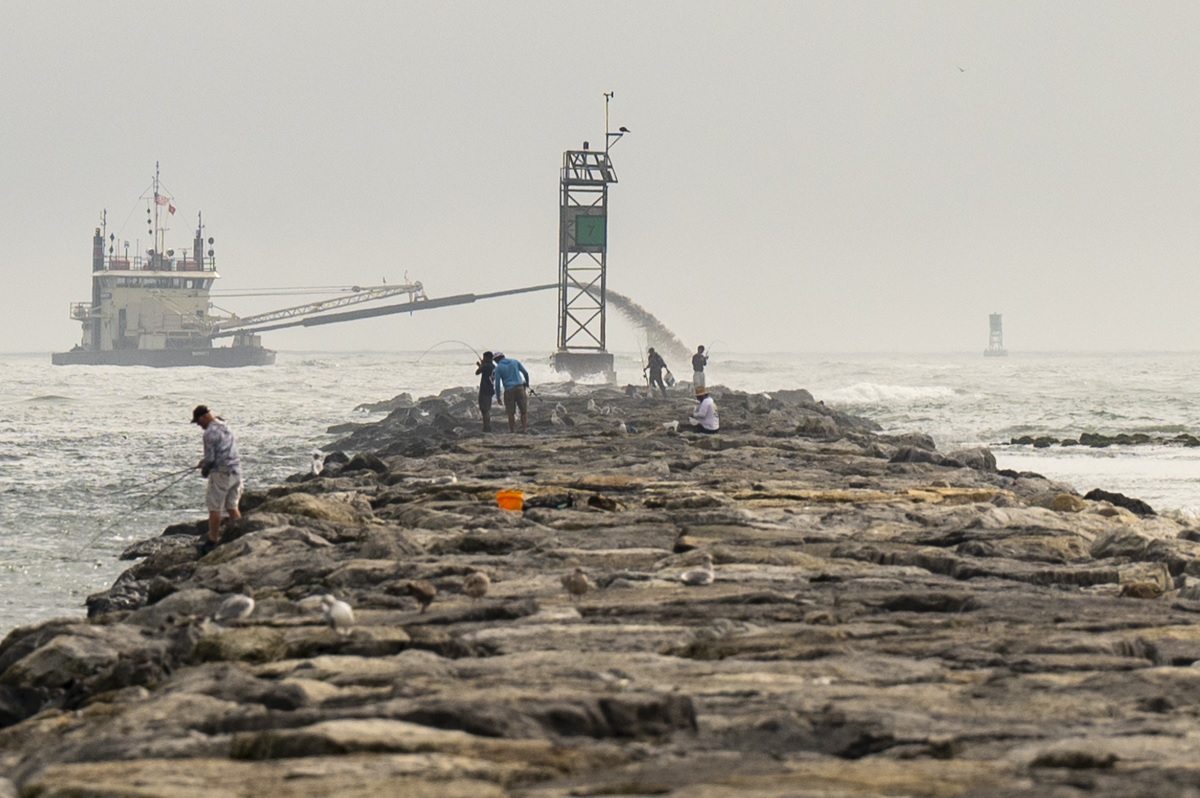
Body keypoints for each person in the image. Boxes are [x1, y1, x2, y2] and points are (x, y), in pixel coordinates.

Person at [192, 404, 242, 554]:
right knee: (232, 506)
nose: (199, 426)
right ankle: (240, 534)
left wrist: (204, 469)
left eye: (198, 422)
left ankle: (212, 541)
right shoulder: (225, 425)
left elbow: (210, 459)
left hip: (221, 473)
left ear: (203, 417)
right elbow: (222, 449)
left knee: (214, 507)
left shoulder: (209, 433)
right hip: (236, 470)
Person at [492, 352, 531, 433]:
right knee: (523, 411)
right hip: (520, 387)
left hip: (509, 390)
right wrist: (527, 383)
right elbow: (525, 373)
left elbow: (497, 384)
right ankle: (524, 429)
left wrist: (498, 397)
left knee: (511, 413)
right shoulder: (514, 361)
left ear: (496, 360)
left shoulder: (498, 368)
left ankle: (512, 431)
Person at [475, 351, 496, 432]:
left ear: (487, 358)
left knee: (484, 410)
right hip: (490, 389)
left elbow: (477, 372)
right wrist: (482, 365)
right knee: (487, 409)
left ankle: (486, 427)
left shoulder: (486, 366)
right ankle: (487, 426)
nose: (483, 359)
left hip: (484, 390)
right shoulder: (493, 366)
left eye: (484, 357)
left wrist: (480, 365)